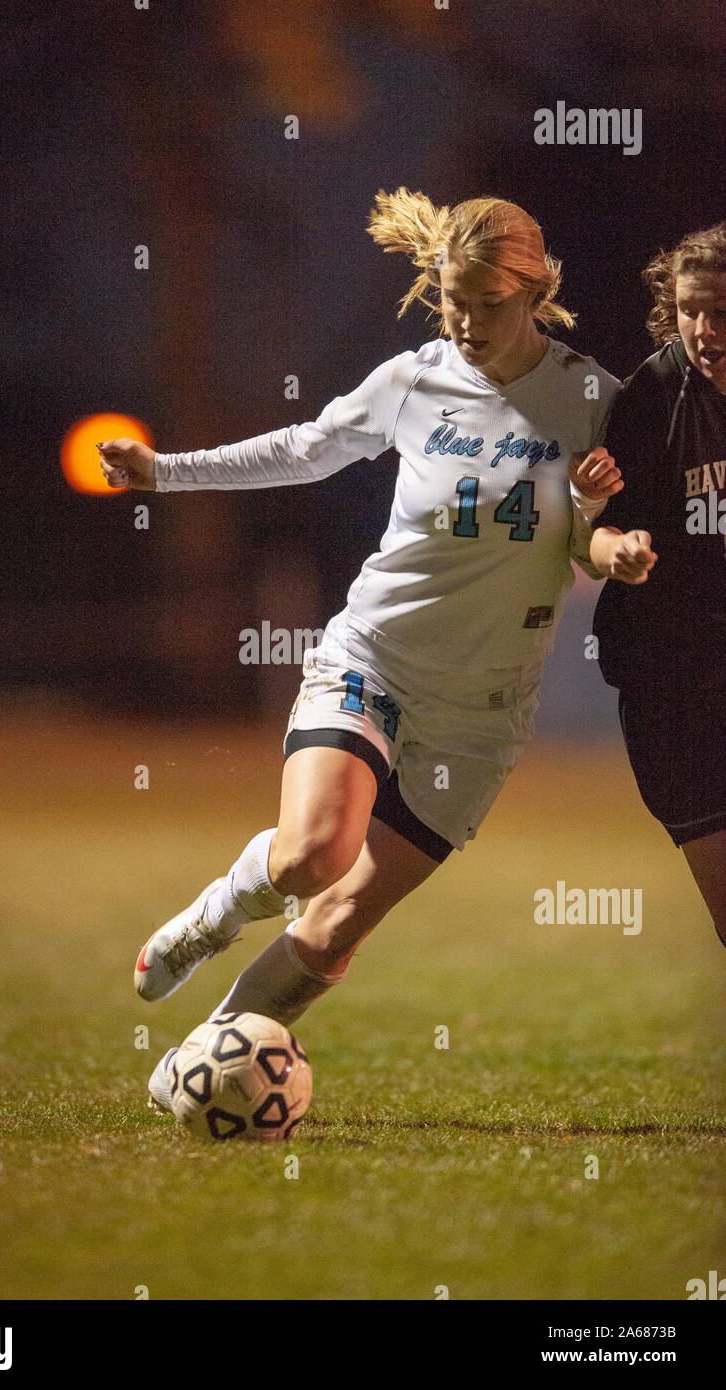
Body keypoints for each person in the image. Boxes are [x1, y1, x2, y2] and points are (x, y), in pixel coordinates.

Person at [98, 190, 626, 1113]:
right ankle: (211, 918)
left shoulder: (590, 397)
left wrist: (604, 538)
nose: (463, 322)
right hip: (374, 657)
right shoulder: (414, 379)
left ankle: (197, 1065)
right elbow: (306, 449)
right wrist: (165, 471)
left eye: (486, 303)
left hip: (483, 714)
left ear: (534, 289)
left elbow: (584, 542)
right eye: (449, 298)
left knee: (338, 925)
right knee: (312, 858)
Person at [590, 222, 726, 949]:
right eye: (687, 311)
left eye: (721, 312)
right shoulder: (651, 394)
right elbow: (594, 530)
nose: (702, 330)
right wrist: (618, 550)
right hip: (674, 679)